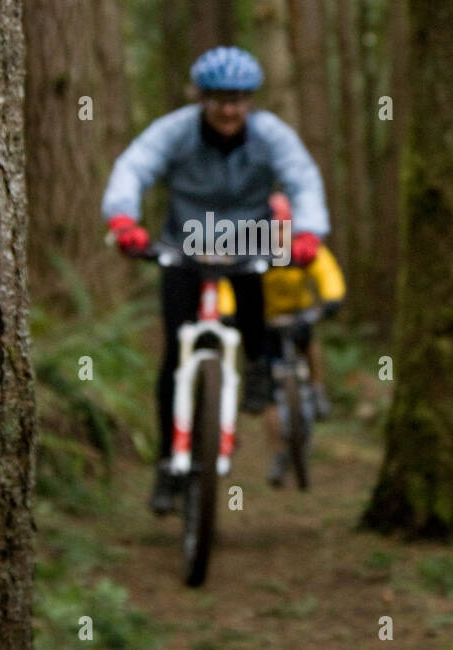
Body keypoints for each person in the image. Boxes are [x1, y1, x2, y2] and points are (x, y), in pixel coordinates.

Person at [101, 47, 330, 515]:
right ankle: (168, 463)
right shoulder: (176, 131)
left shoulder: (270, 135)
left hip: (249, 243)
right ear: (201, 98)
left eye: (240, 99)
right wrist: (123, 219)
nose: (230, 109)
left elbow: (303, 179)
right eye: (220, 99)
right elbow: (134, 166)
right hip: (184, 246)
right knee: (174, 354)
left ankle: (259, 371)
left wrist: (309, 232)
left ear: (251, 101)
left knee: (255, 315)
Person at [216, 192, 346, 484]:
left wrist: (331, 300)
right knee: (270, 389)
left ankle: (317, 387)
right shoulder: (247, 251)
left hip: (298, 314)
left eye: (282, 229)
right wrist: (228, 312)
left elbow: (328, 273)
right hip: (262, 322)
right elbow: (228, 283)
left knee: (308, 340)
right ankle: (277, 454)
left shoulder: (304, 247)